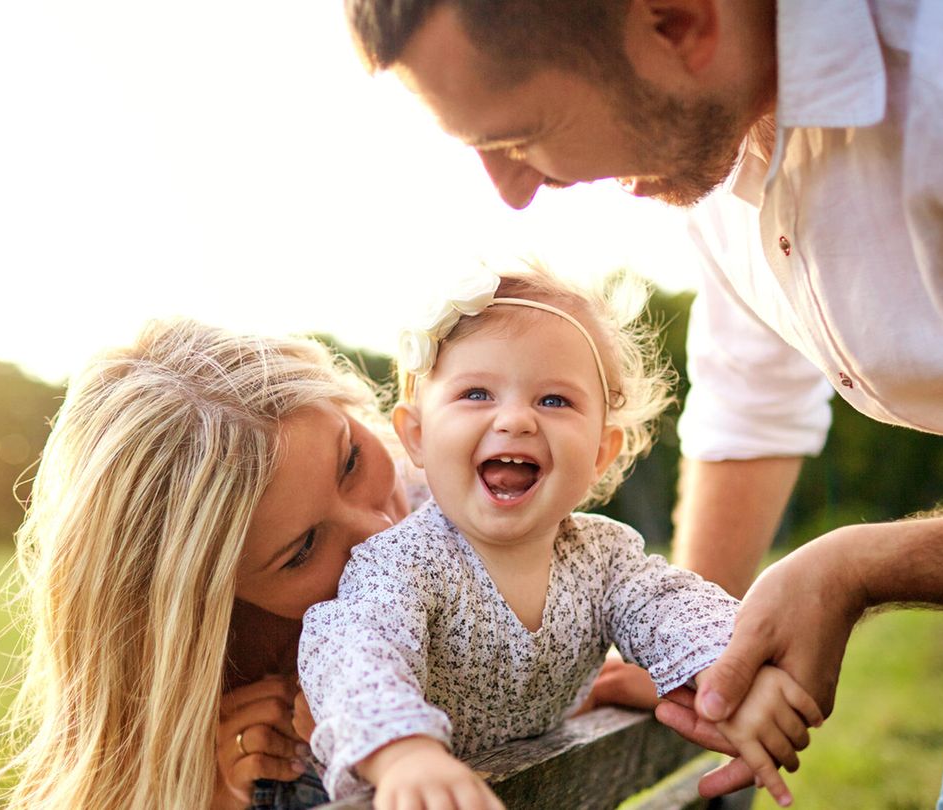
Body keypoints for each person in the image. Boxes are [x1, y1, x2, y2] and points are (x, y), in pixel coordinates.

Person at [341, 0, 943, 805]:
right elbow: (748, 403)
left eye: (518, 134)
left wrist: (863, 563)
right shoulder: (707, 154)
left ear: (681, 23)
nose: (511, 192)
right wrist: (701, 665)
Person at [0, 317, 663, 810]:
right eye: (302, 549)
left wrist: (562, 689)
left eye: (351, 459)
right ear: (209, 609)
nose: (379, 524)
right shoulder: (216, 699)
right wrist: (221, 791)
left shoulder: (458, 504)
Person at [299, 266, 822, 808]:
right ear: (418, 437)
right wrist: (404, 753)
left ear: (600, 452)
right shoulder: (401, 564)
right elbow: (355, 656)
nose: (516, 419)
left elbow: (674, 607)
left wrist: (727, 671)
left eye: (554, 401)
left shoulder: (604, 558)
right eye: (477, 393)